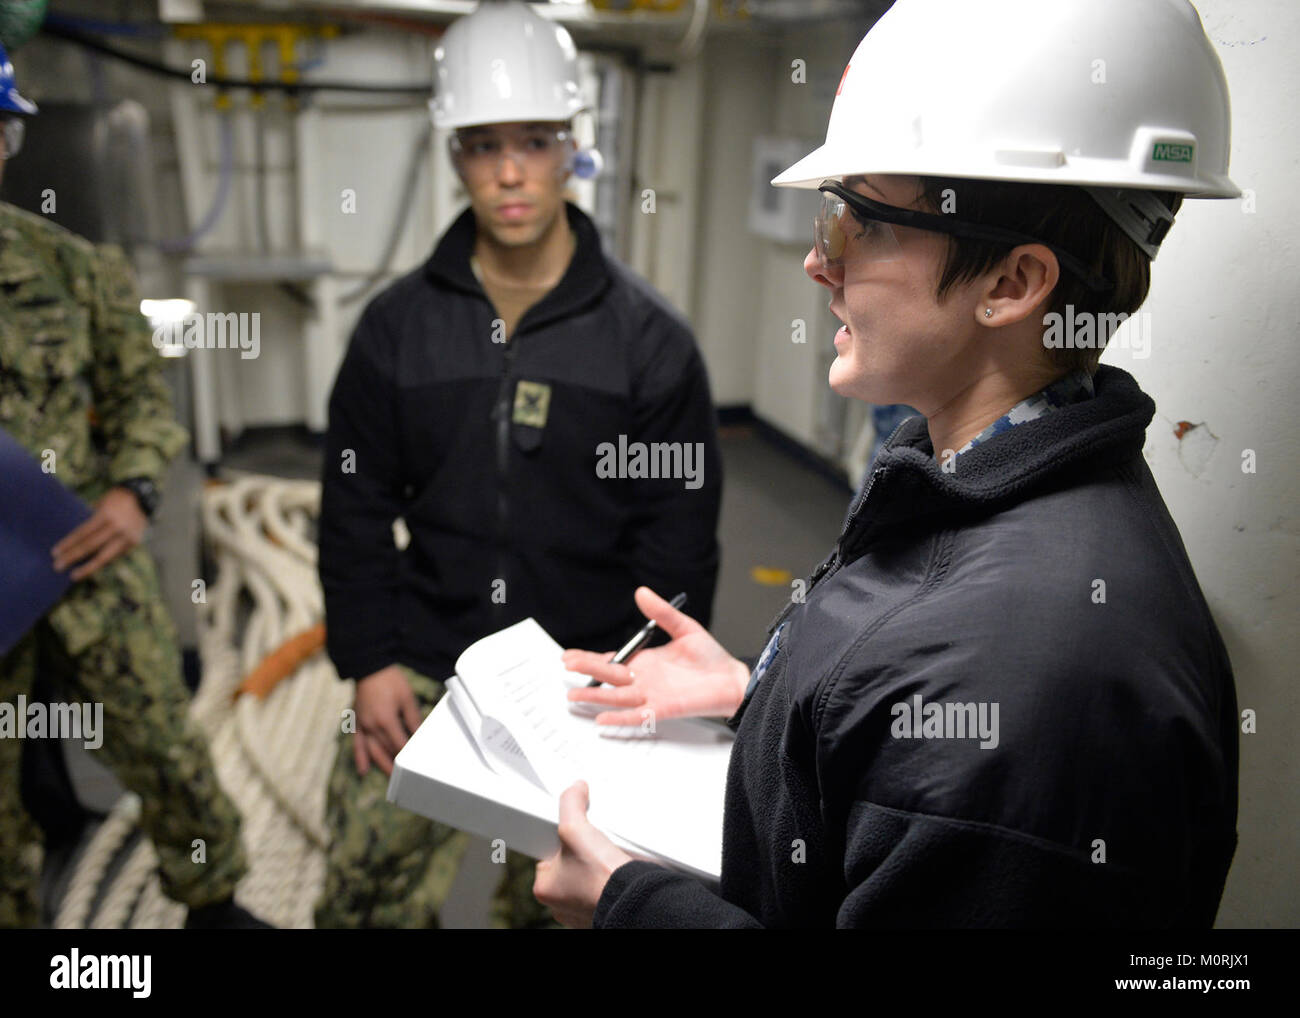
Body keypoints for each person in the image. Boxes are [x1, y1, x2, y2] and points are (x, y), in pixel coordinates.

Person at [535, 0, 1239, 928]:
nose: (818, 266)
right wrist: (765, 692)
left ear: (1013, 284)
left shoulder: (1029, 673)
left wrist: (630, 905)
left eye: (856, 223)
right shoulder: (975, 482)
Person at [315, 0, 722, 928]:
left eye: (534, 142)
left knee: (558, 915)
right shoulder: (396, 330)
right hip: (427, 661)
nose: (508, 171)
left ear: (570, 144)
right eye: (482, 143)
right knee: (359, 903)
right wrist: (369, 658)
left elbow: (679, 537)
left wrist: (641, 681)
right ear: (453, 152)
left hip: (582, 674)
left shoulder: (647, 344)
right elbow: (353, 503)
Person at [0, 41, 268, 929]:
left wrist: (133, 495)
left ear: (7, 144)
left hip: (81, 550)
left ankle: (213, 897)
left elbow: (144, 405)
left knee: (160, 738)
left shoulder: (73, 270)